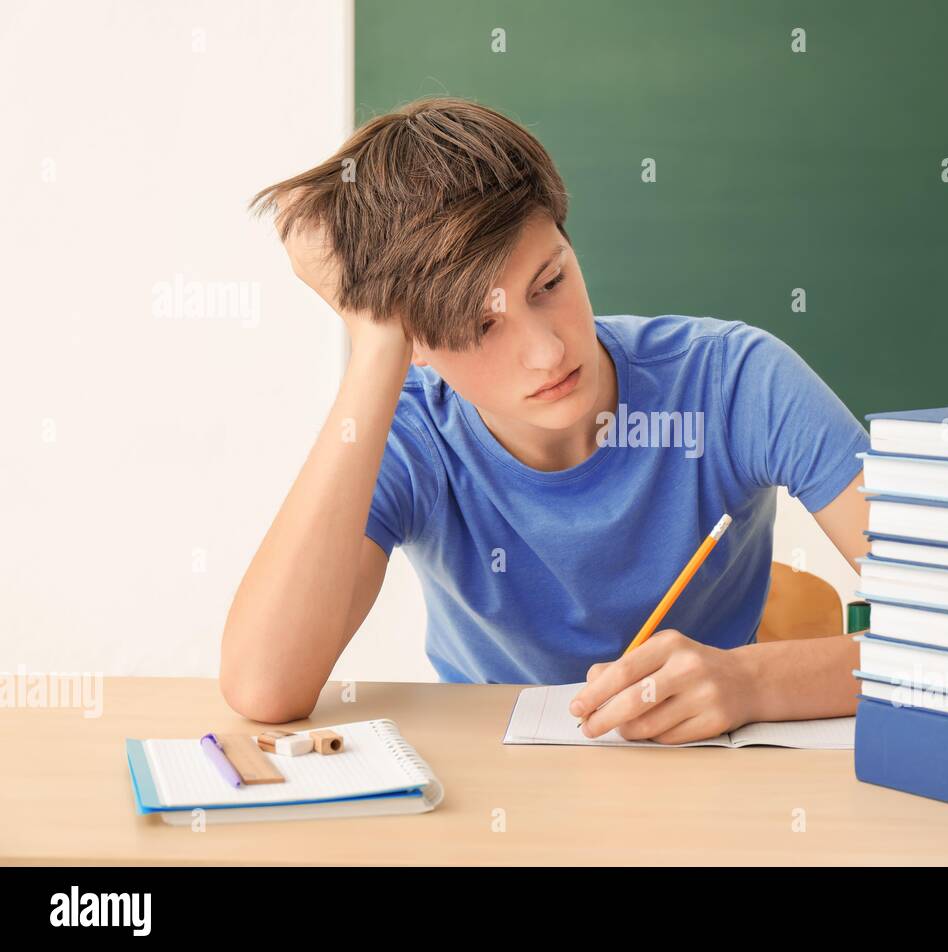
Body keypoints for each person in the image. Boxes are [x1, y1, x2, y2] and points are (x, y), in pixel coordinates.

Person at [220, 97, 871, 744]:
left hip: (710, 772)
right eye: (481, 325)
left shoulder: (735, 381)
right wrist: (375, 341)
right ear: (415, 346)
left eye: (550, 283)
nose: (549, 352)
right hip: (498, 789)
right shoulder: (410, 433)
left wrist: (753, 681)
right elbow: (263, 686)